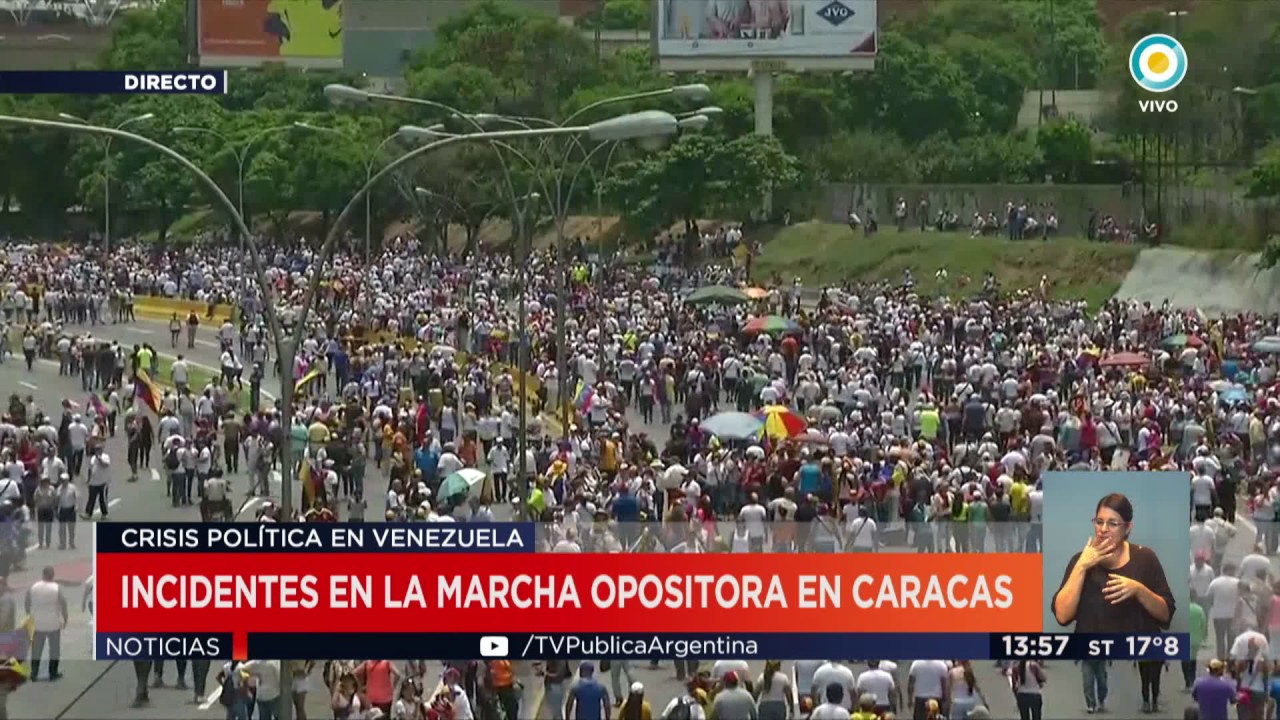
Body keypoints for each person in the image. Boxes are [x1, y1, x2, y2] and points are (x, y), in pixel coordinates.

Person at [1051, 493, 1176, 634]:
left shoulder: (1146, 558)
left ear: (1127, 528)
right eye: (1099, 522)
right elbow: (1062, 616)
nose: (1103, 529)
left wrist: (1139, 590)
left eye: (1112, 523)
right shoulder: (1079, 560)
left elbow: (1166, 615)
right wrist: (1081, 566)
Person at [25, 565, 66, 681]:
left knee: (36, 650)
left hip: (37, 623)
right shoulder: (56, 588)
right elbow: (63, 604)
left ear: (43, 574)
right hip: (53, 623)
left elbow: (27, 603)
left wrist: (29, 615)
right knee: (54, 650)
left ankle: (34, 673)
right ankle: (53, 672)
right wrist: (65, 618)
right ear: (53, 575)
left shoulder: (33, 587)